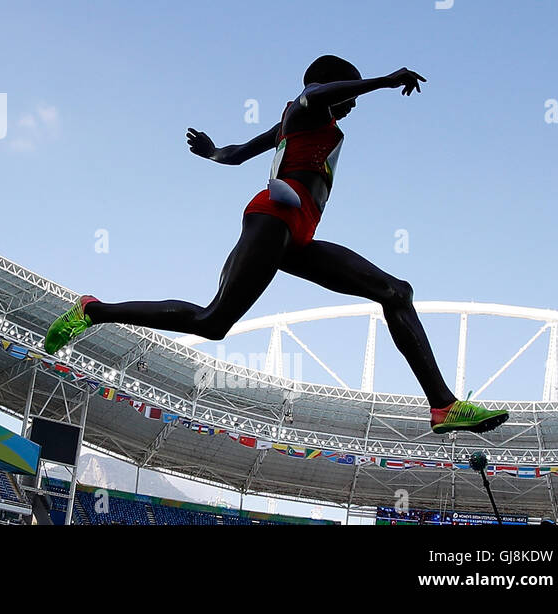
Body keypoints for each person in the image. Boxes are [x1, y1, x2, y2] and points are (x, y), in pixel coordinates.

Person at [46, 56, 507, 435]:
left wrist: (212, 152)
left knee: (395, 291)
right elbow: (315, 94)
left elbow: (241, 152)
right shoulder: (305, 107)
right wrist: (384, 81)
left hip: (297, 230)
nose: (351, 105)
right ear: (333, 86)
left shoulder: (298, 123)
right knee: (212, 322)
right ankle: (93, 310)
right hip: (273, 217)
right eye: (347, 94)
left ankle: (443, 406)